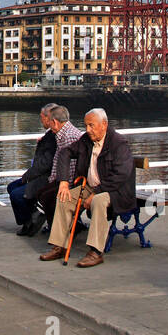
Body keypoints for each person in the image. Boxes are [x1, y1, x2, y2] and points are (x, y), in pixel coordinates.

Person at [38, 107, 133, 269]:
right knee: (64, 197)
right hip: (90, 186)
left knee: (98, 201)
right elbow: (65, 153)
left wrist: (96, 193)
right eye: (86, 125)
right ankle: (59, 246)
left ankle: (95, 252)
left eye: (91, 125)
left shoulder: (119, 143)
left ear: (104, 124)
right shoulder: (86, 140)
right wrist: (63, 182)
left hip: (115, 190)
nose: (88, 130)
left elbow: (121, 175)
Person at [9, 104, 80, 236]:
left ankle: (36, 224)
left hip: (58, 180)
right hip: (52, 177)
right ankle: (38, 223)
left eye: (44, 118)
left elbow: (67, 166)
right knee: (18, 189)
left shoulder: (67, 136)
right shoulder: (57, 134)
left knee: (30, 195)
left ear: (54, 121)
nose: (43, 121)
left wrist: (61, 183)